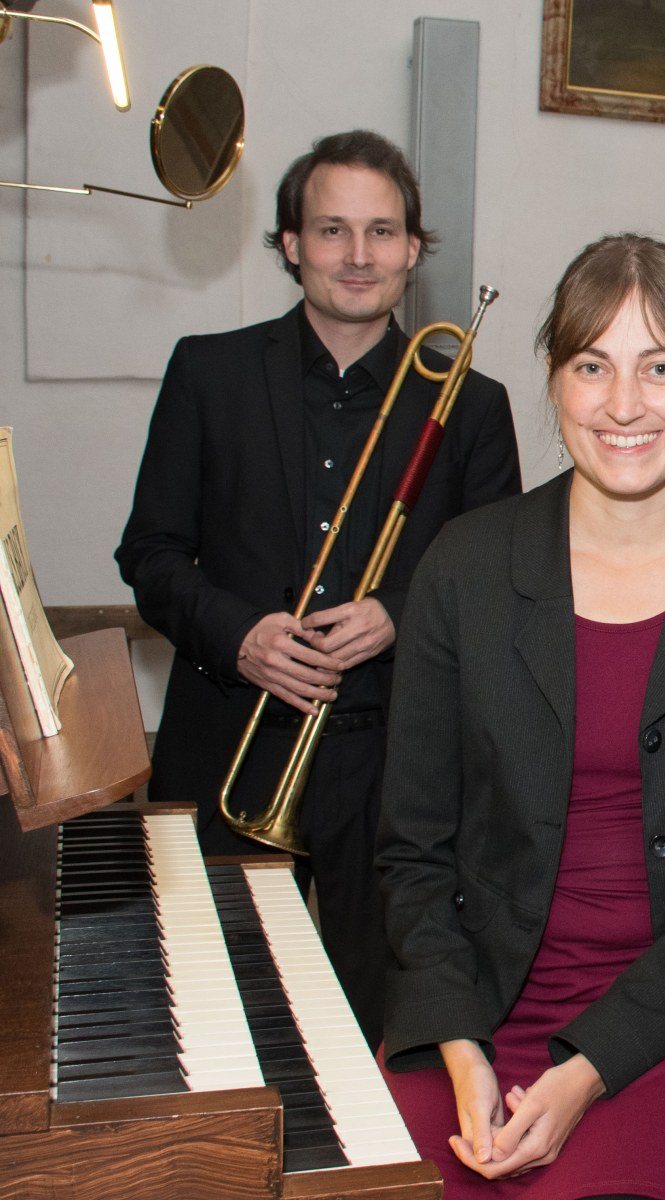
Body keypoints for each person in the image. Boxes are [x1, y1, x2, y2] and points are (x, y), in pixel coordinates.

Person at [376, 234, 665, 1200]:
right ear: (553, 382)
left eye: (661, 367)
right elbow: (412, 852)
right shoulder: (462, 567)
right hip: (485, 1003)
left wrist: (585, 1071)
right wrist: (460, 1047)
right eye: (593, 366)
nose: (625, 405)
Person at [116, 129, 520, 1046]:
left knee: (370, 1035)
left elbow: (503, 580)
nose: (358, 255)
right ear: (291, 242)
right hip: (227, 745)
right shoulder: (207, 373)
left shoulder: (474, 403)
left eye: (382, 232)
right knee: (211, 1021)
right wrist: (239, 634)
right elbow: (150, 553)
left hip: (396, 770)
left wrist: (399, 614)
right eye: (332, 230)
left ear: (415, 249)